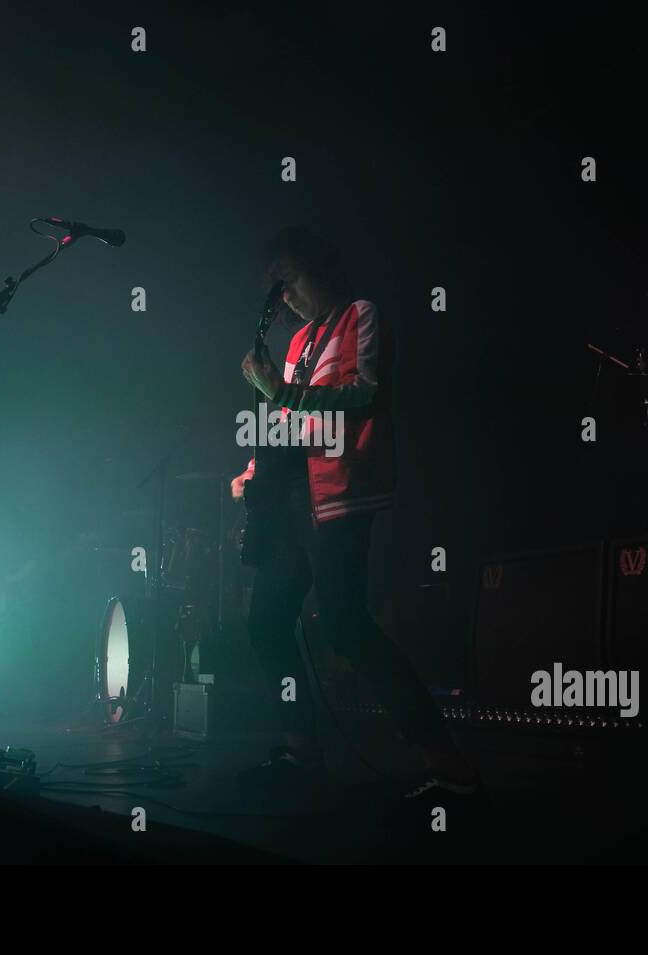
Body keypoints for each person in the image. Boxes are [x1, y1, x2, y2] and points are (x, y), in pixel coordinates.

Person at [233, 226, 477, 794]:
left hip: (340, 497)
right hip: (292, 501)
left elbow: (363, 392)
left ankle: (449, 765)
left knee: (347, 627)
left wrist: (279, 392)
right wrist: (254, 471)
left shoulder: (359, 315)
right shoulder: (298, 341)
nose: (284, 296)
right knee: (266, 622)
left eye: (289, 280)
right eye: (276, 288)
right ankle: (301, 754)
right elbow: (289, 420)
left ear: (317, 268)